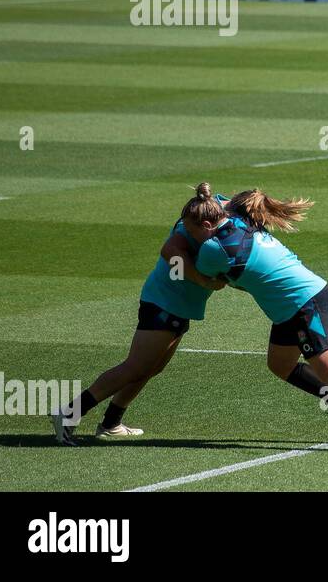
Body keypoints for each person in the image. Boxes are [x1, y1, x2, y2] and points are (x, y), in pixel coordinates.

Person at [187, 185, 328, 451]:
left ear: (206, 224)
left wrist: (174, 254)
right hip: (289, 309)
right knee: (280, 364)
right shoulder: (238, 217)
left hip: (306, 302)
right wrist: (207, 196)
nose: (189, 234)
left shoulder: (214, 250)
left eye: (191, 229)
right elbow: (221, 203)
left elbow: (208, 280)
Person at [52, 189, 229, 446]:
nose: (186, 231)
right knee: (135, 367)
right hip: (164, 304)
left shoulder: (219, 210)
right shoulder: (185, 231)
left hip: (177, 307)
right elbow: (170, 254)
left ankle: (111, 423)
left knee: (152, 367)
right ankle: (69, 413)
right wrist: (201, 280)